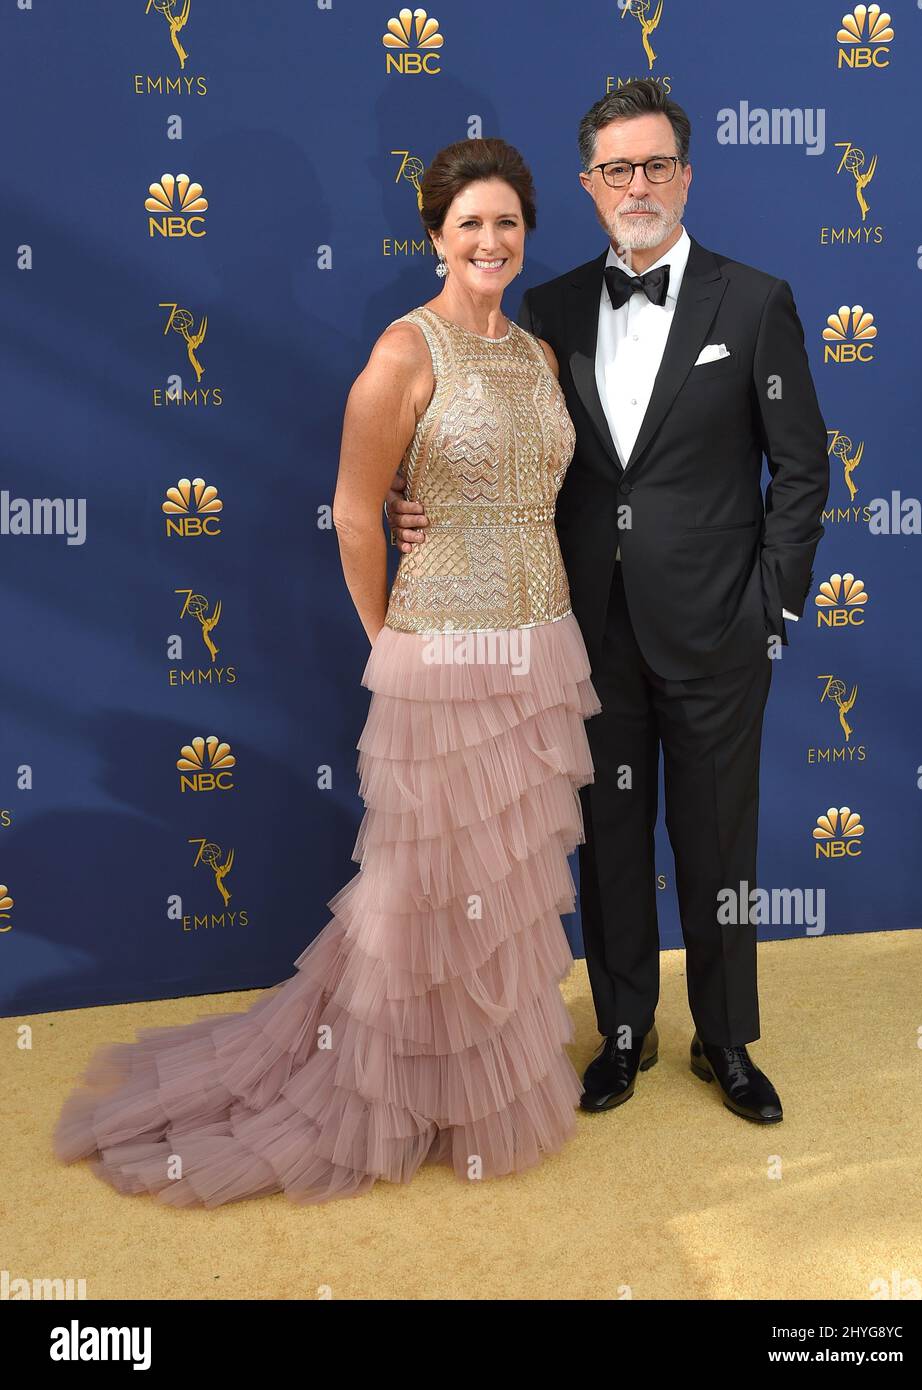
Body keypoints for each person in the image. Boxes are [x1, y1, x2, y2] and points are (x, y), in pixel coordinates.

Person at [51, 137, 603, 1207]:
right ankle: (385, 1094)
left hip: (536, 642)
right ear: (433, 236)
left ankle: (474, 1091)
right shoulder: (405, 351)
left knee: (502, 887)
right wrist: (382, 636)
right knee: (424, 893)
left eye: (504, 221)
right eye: (467, 224)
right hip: (439, 650)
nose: (488, 241)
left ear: (525, 229)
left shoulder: (534, 358)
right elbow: (357, 511)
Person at [388, 81, 830, 1125]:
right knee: (610, 836)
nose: (637, 185)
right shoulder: (545, 313)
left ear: (686, 173)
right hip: (584, 628)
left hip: (718, 624)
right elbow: (498, 454)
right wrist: (422, 515)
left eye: (655, 165)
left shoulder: (754, 300)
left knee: (719, 845)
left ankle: (723, 1038)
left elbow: (801, 471)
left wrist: (769, 605)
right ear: (588, 186)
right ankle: (622, 1028)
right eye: (615, 169)